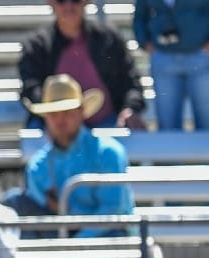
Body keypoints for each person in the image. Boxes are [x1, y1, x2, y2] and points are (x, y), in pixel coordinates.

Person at [12, 74, 134, 238]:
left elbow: (113, 211)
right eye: (54, 114)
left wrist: (76, 240)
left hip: (111, 239)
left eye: (67, 112)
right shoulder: (37, 166)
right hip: (61, 240)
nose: (60, 119)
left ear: (81, 112)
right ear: (46, 118)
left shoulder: (108, 153)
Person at [19, 0, 146, 130]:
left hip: (107, 125)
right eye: (61, 0)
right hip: (55, 127)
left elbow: (131, 82)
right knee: (34, 132)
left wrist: (130, 109)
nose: (69, 6)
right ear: (51, 2)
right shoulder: (37, 45)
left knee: (134, 130)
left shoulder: (109, 38)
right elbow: (31, 88)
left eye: (76, 0)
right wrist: (58, 115)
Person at [134, 0, 209, 130]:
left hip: (200, 57)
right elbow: (140, 16)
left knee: (206, 121)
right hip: (163, 58)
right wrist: (145, 42)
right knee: (167, 125)